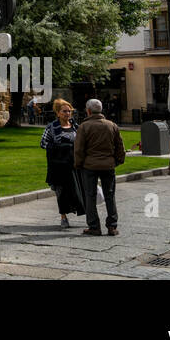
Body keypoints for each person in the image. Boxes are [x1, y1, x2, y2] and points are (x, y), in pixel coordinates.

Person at [74, 97, 126, 236]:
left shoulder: (84, 127)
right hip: (108, 165)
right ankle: (112, 226)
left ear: (88, 111)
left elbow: (78, 149)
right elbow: (120, 146)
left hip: (90, 165)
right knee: (110, 195)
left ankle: (94, 226)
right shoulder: (111, 125)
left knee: (90, 196)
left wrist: (78, 164)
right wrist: (118, 161)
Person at [40, 98, 85, 227]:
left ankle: (85, 212)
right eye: (64, 111)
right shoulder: (52, 127)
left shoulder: (76, 126)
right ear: (58, 113)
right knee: (61, 192)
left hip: (75, 164)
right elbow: (43, 143)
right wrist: (60, 147)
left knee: (79, 190)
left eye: (69, 111)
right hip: (59, 166)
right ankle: (63, 217)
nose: (67, 113)